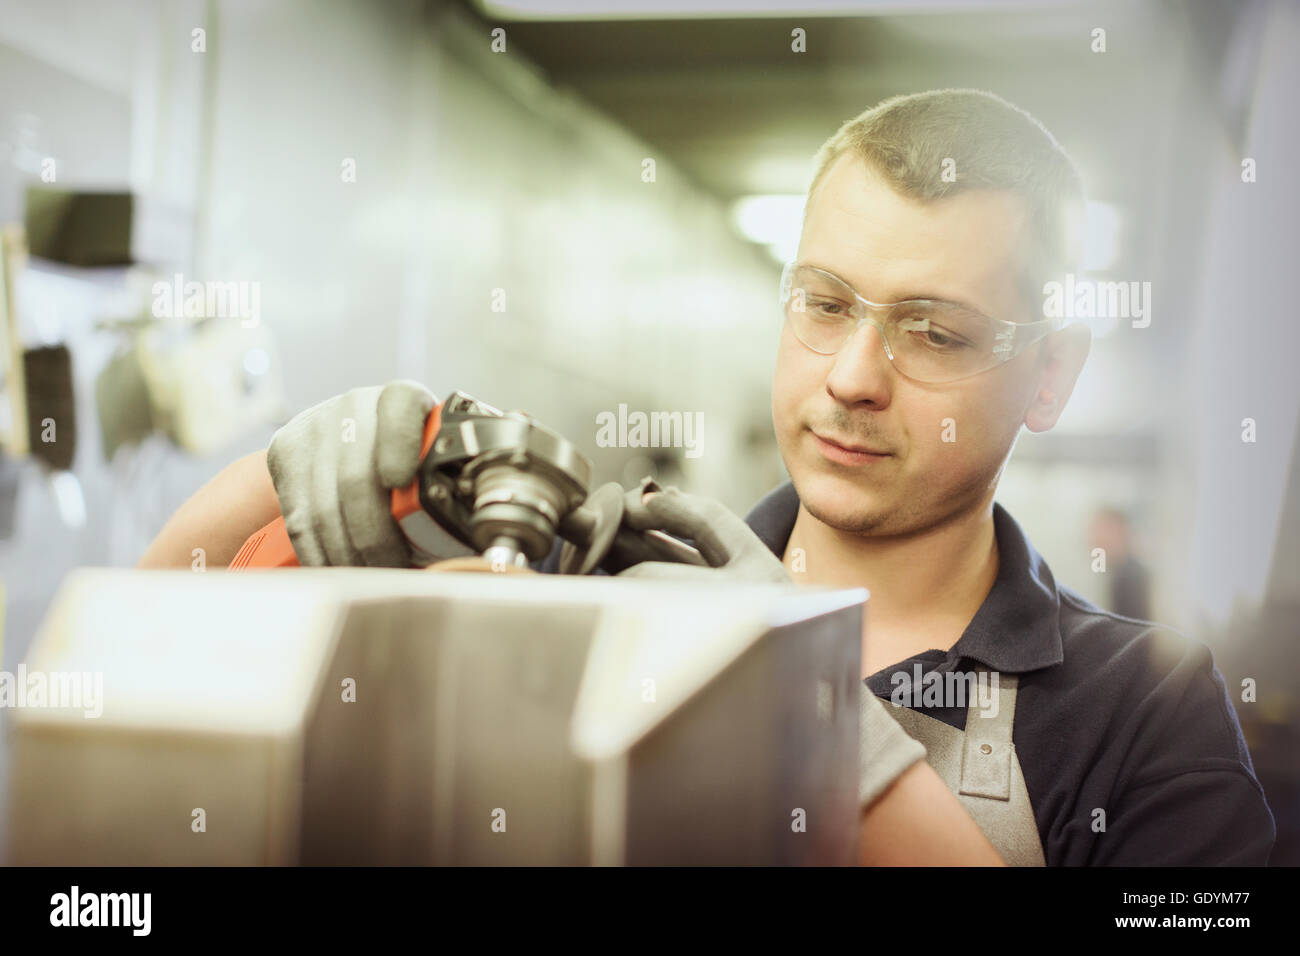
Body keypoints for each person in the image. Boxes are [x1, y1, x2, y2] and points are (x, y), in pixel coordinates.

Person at [138, 89, 1274, 866]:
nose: (853, 376)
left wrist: (811, 710)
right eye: (825, 303)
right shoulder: (617, 592)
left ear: (1048, 375)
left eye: (934, 331)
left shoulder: (1151, 707)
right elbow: (143, 698)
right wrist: (277, 476)